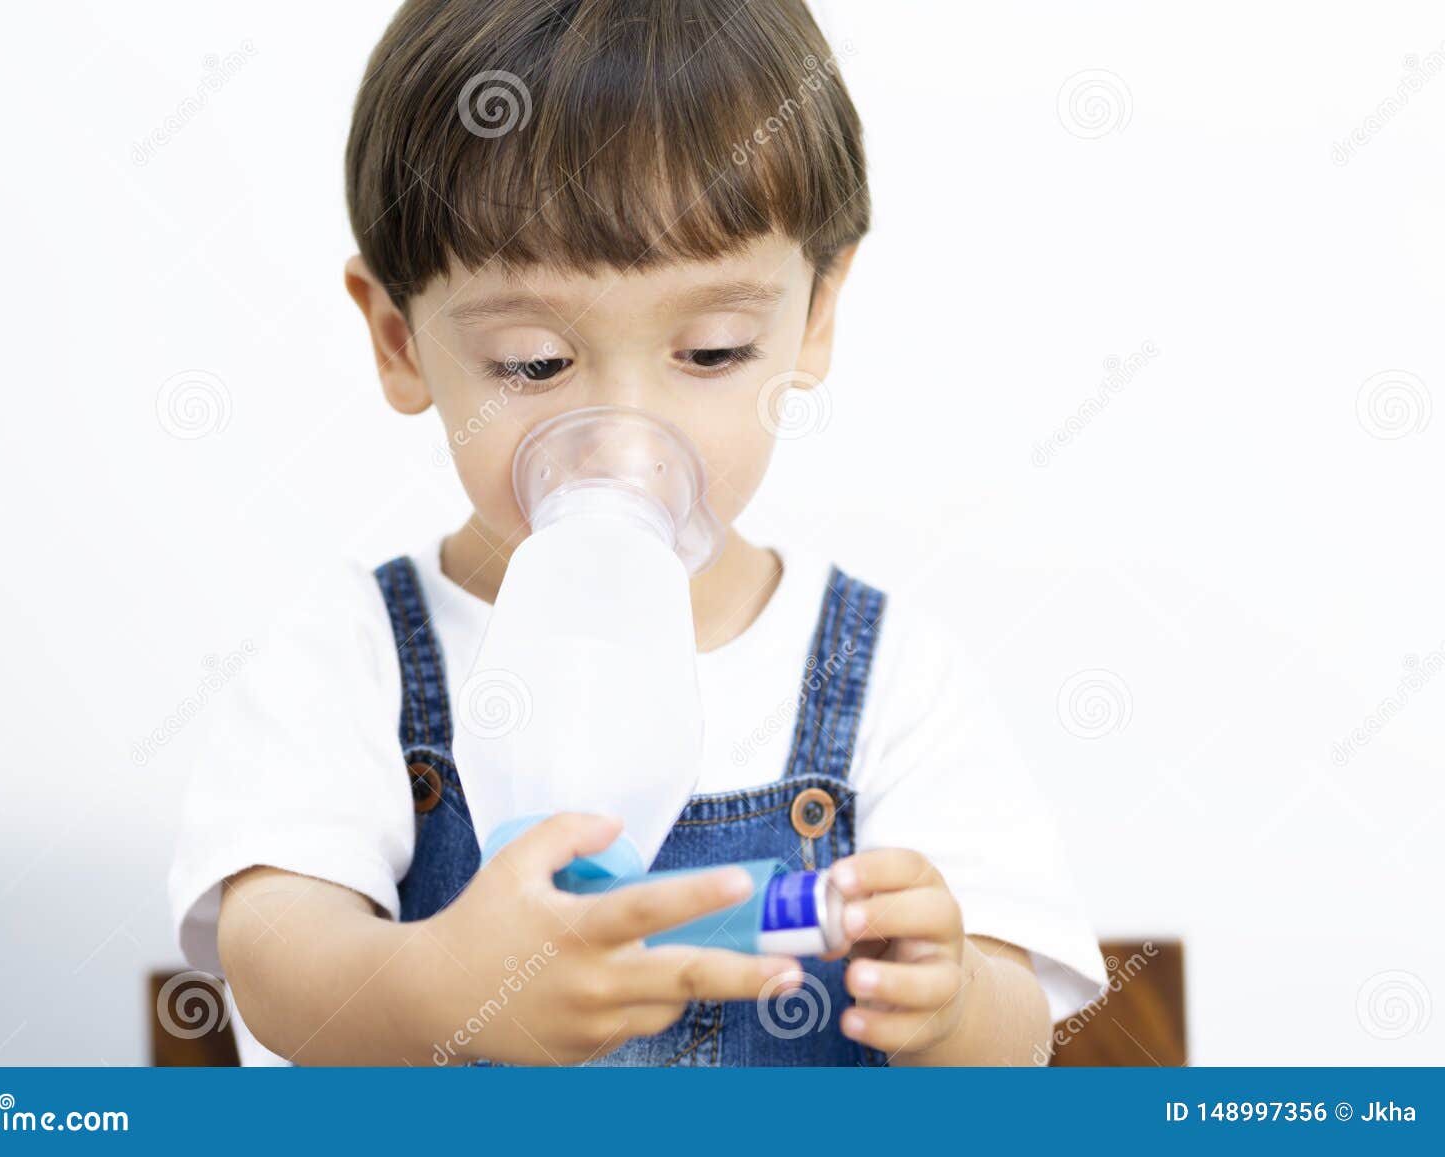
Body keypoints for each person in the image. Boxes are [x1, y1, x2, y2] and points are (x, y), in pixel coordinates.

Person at [168, 0, 1108, 1066]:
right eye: (531, 361)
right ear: (397, 338)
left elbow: (1015, 1029)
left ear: (814, 317)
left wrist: (950, 1007)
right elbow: (275, 953)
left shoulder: (889, 679)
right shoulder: (356, 655)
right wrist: (445, 986)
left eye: (710, 351)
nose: (623, 439)